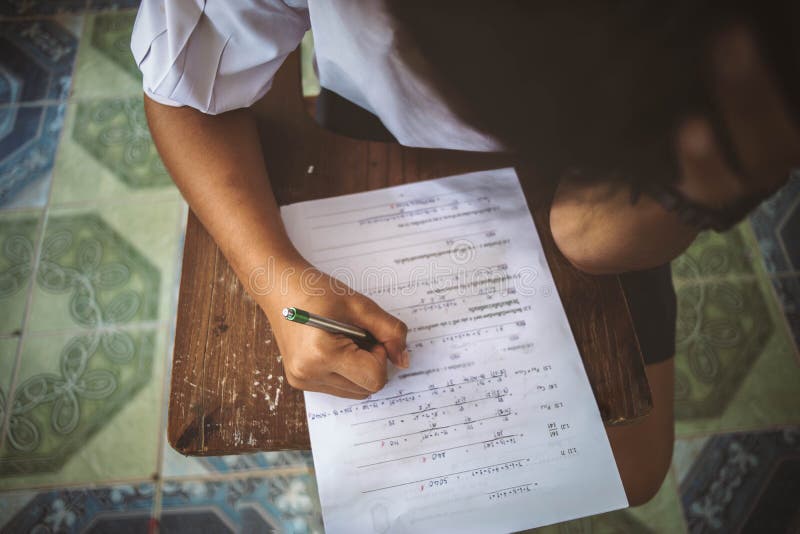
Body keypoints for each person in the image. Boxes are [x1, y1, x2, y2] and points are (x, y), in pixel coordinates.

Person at [131, 1, 799, 506]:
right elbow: (184, 93)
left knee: (628, 468)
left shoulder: (731, 54)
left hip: (608, 169)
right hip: (378, 129)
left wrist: (696, 189)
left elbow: (587, 237)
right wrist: (277, 282)